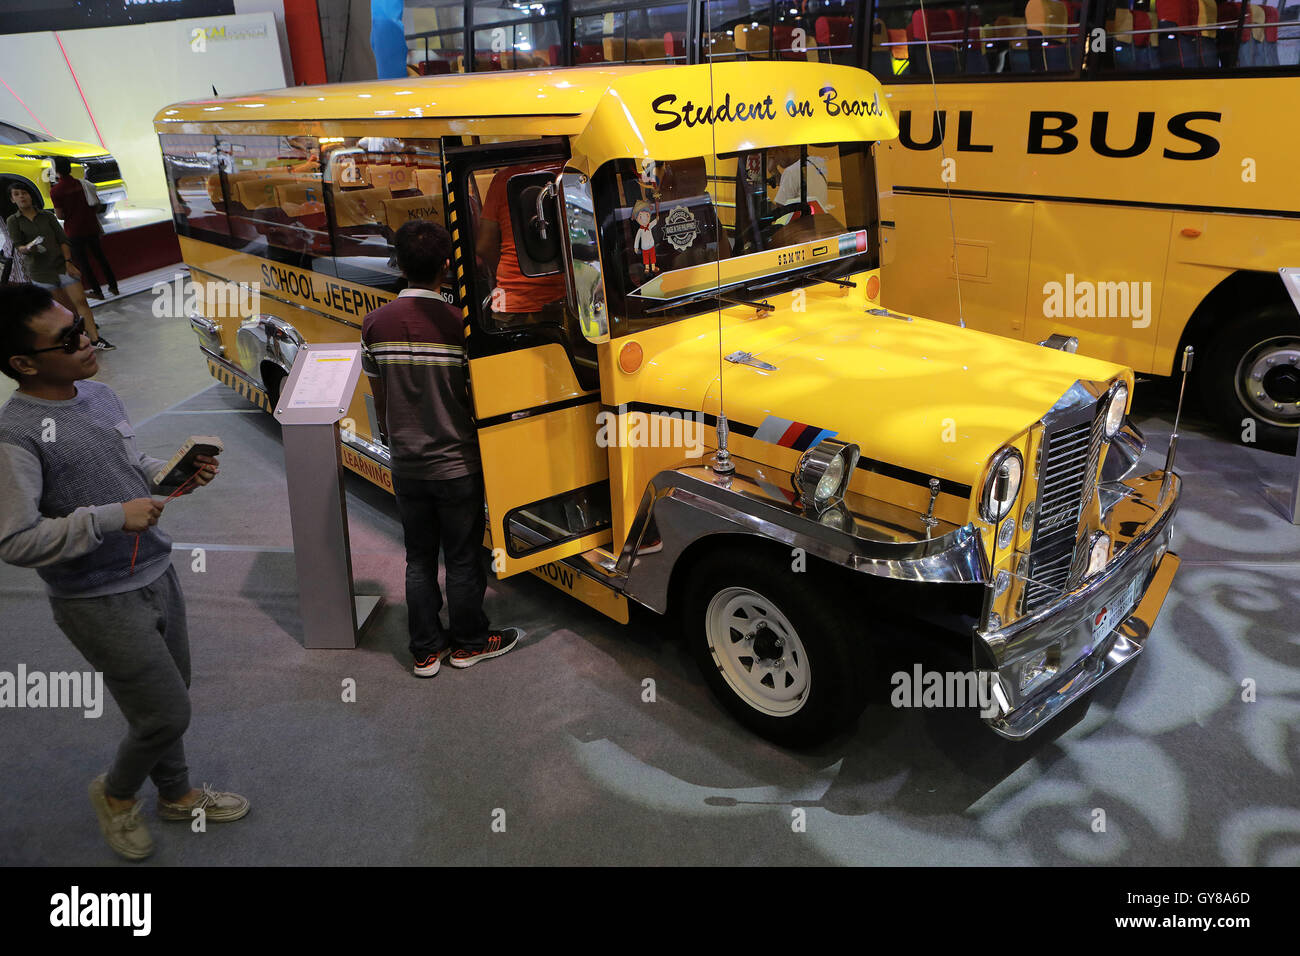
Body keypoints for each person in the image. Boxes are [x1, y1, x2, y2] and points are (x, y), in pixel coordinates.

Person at [0, 284, 248, 861]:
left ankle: (177, 794)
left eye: (81, 325)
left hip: (157, 570)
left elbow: (127, 462)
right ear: (22, 363)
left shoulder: (102, 396)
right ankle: (115, 796)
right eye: (68, 338)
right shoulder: (16, 434)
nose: (87, 339)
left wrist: (170, 473)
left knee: (165, 699)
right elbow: (14, 539)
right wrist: (113, 517)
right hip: (95, 598)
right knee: (164, 712)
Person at [361, 220, 522, 677]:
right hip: (457, 465)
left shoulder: (375, 325)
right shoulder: (460, 328)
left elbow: (382, 395)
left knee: (418, 558)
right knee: (463, 558)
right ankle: (469, 643)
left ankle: (425, 650)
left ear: (398, 265)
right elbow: (478, 397)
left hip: (407, 465)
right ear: (446, 269)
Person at [5, 182, 114, 351]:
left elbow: (63, 239)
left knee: (80, 301)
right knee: (66, 309)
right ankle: (79, 338)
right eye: (17, 194)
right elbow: (18, 246)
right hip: (40, 272)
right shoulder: (13, 221)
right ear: (12, 199)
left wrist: (68, 261)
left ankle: (95, 338)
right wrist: (27, 248)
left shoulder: (47, 216)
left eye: (24, 193)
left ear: (30, 195)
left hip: (62, 266)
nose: (21, 197)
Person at [475, 162, 567, 327]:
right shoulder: (566, 173)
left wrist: (510, 275)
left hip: (510, 300)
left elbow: (484, 245)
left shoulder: (502, 179)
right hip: (562, 299)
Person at [50, 156, 119, 301]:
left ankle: (97, 291)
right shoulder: (83, 183)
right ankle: (114, 287)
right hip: (91, 226)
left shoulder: (56, 191)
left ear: (56, 170)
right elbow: (97, 205)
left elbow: (60, 215)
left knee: (84, 263)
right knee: (100, 257)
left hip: (74, 231)